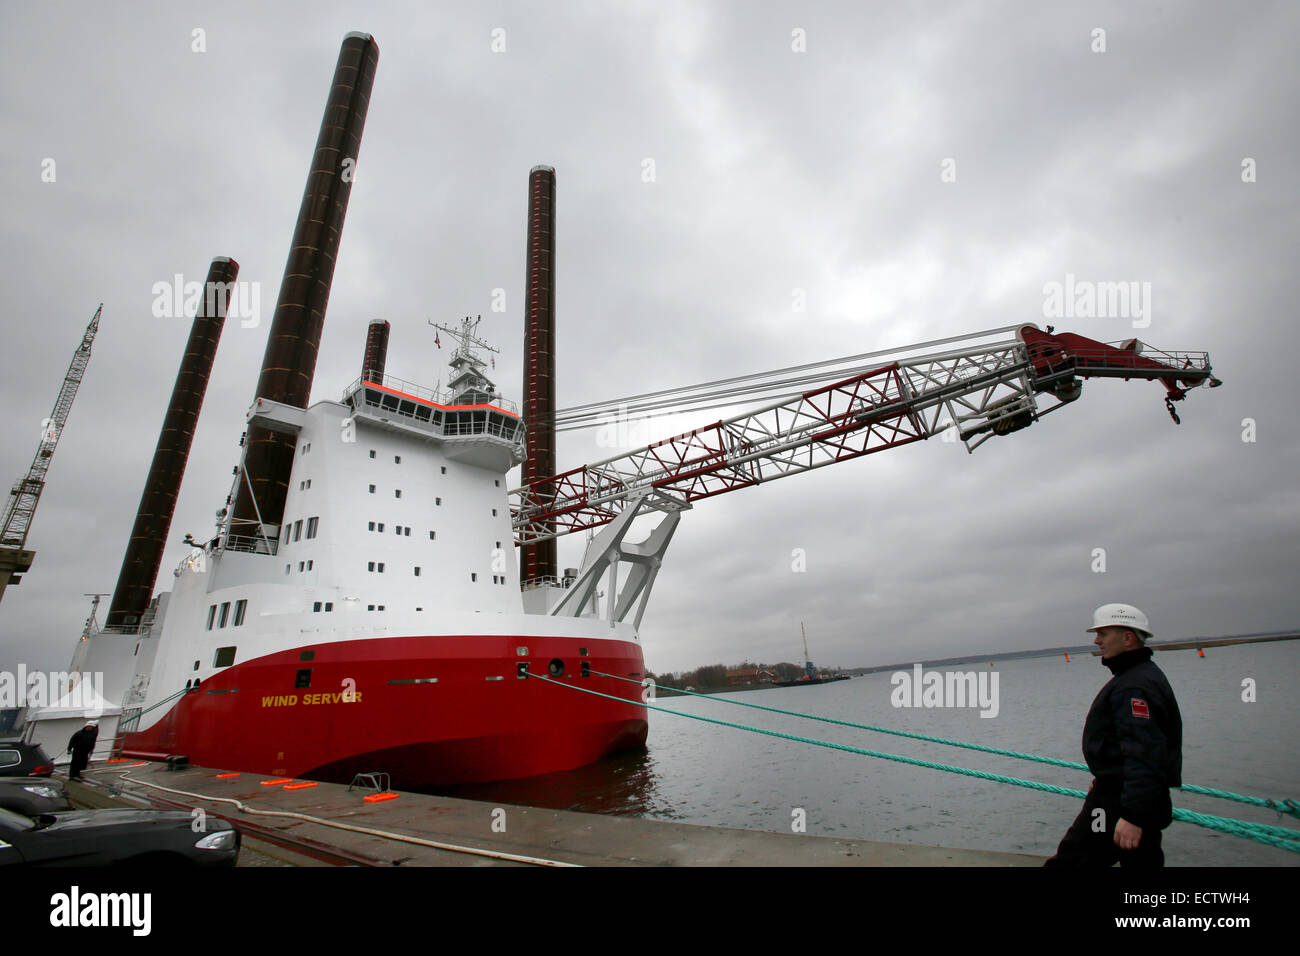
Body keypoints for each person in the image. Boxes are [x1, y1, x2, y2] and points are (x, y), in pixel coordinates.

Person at [1045, 604, 1183, 867]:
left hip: (1120, 805)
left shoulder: (1133, 686)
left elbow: (1144, 755)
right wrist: (1105, 778)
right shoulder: (1139, 676)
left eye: (1103, 634)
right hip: (1126, 797)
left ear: (1128, 638)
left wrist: (1134, 817)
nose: (1097, 641)